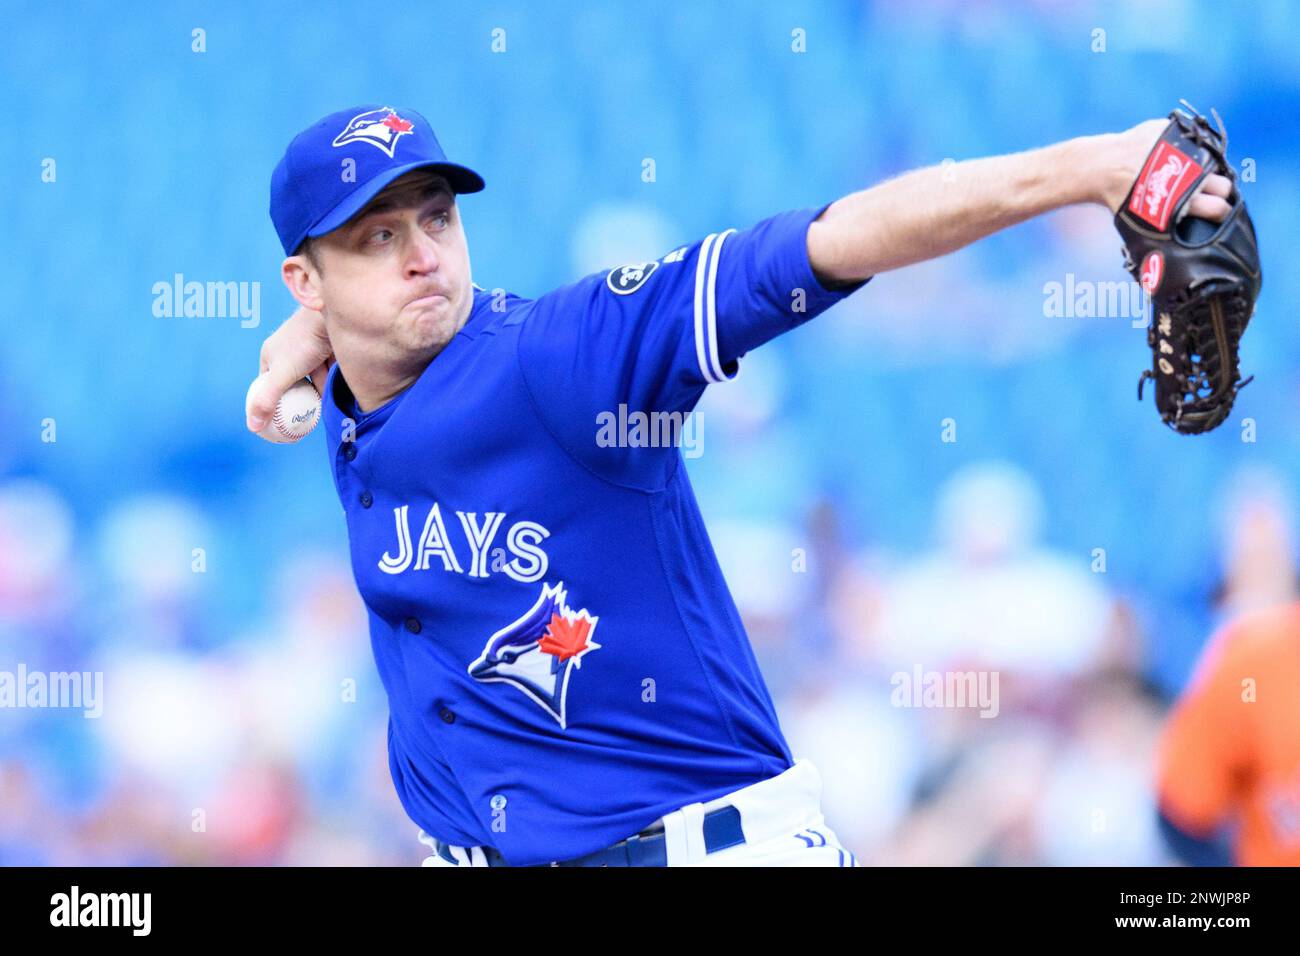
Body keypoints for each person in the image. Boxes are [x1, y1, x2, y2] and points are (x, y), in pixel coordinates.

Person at [252, 104, 1232, 867]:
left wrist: (1090, 168)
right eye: (378, 235)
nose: (425, 253)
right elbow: (349, 359)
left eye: (436, 216)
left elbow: (828, 241)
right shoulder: (348, 391)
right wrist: (292, 362)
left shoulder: (561, 355)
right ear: (307, 282)